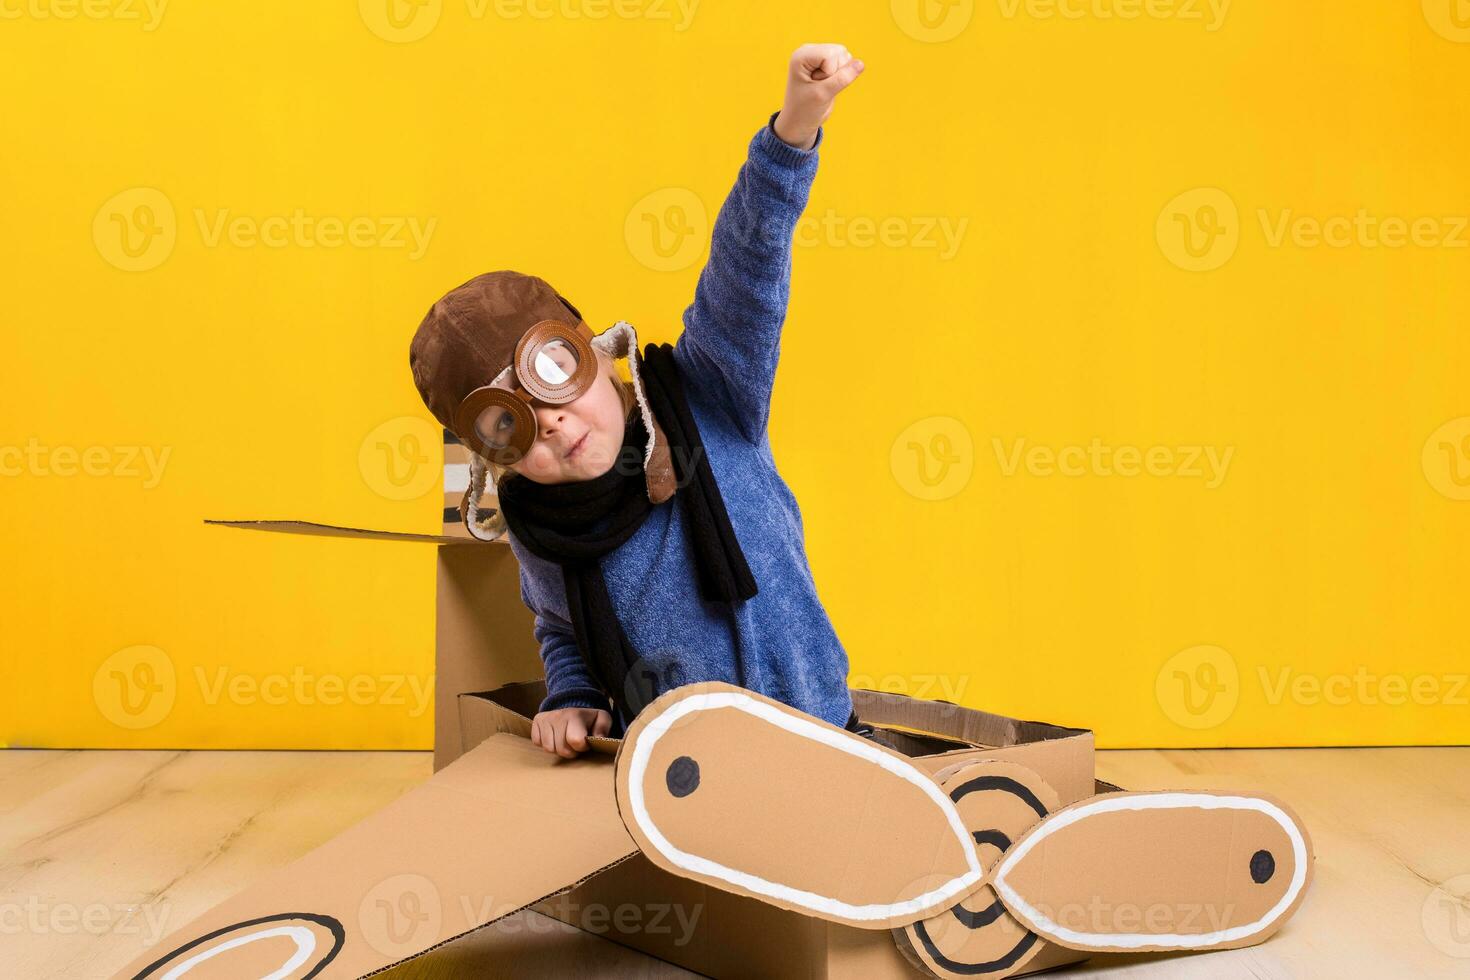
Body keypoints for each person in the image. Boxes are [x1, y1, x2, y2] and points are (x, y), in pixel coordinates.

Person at [409, 44, 869, 757]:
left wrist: (792, 134)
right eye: (508, 422)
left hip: (821, 740)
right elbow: (562, 628)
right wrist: (572, 698)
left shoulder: (712, 396)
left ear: (595, 351)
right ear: (489, 453)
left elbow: (746, 273)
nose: (552, 423)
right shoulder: (539, 528)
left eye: (551, 373)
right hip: (675, 782)